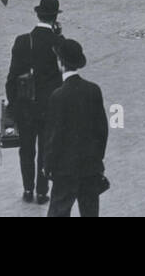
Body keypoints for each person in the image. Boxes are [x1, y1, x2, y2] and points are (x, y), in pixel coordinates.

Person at [5, 0, 63, 204]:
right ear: (55, 17)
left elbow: (11, 78)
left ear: (37, 15)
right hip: (49, 107)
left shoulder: (23, 40)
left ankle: (27, 189)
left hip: (25, 104)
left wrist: (13, 104)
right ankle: (42, 191)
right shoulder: (58, 42)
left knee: (26, 149)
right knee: (46, 149)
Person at [42, 38, 109, 217]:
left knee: (59, 211)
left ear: (61, 63)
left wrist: (47, 164)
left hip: (65, 169)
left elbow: (54, 137)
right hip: (90, 166)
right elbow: (102, 130)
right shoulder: (93, 90)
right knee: (90, 212)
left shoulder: (58, 96)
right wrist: (97, 159)